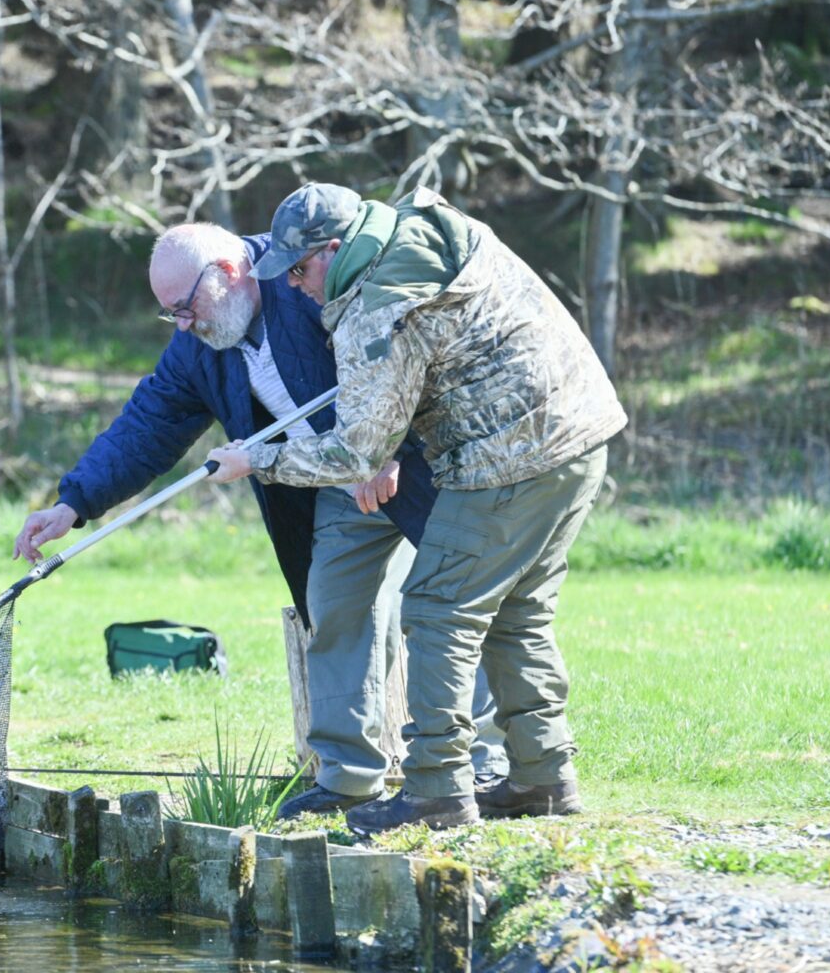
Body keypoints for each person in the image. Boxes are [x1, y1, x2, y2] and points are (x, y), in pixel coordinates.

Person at [13, 221, 508, 820]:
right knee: (332, 607)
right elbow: (147, 426)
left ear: (226, 273)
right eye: (171, 314)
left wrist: (393, 451)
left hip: (417, 465)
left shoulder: (310, 274)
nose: (182, 324)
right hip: (334, 484)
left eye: (184, 308)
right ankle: (349, 777)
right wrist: (73, 504)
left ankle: (487, 761)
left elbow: (411, 352)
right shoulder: (201, 344)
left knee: (448, 607)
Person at [207, 183, 627, 834]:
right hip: (580, 435)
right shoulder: (429, 229)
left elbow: (355, 452)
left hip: (510, 460)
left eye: (299, 269)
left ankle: (436, 788)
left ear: (334, 249)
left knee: (435, 609)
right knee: (517, 613)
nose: (293, 285)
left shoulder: (378, 305)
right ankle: (543, 777)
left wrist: (254, 460)